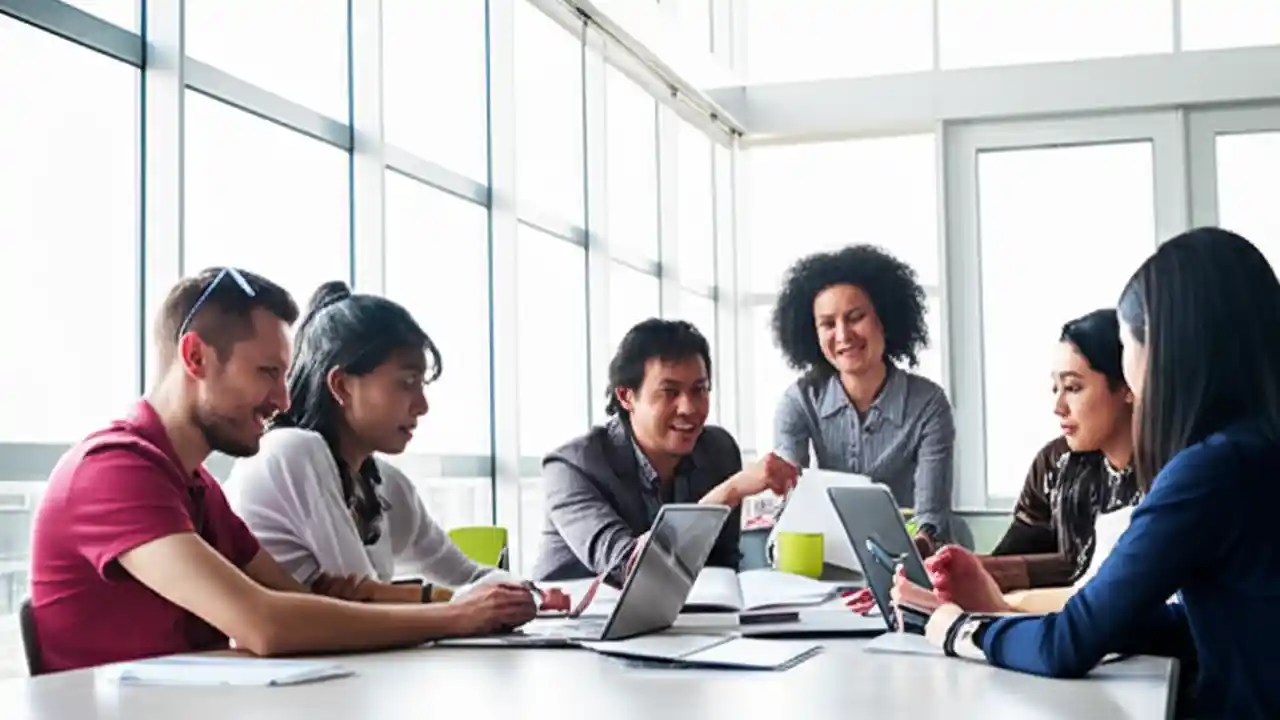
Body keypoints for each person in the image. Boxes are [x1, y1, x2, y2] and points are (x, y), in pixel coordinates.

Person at [29, 267, 536, 673]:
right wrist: (455, 616)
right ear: (196, 357)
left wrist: (430, 611)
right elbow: (264, 623)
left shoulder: (196, 485)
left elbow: (299, 602)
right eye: (268, 373)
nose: (284, 399)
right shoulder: (113, 470)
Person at [894, 228, 1280, 719]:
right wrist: (1008, 619)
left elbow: (1066, 647)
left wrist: (956, 628)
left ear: (1165, 351)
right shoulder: (1256, 451)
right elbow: (1219, 620)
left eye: (1126, 346)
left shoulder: (1209, 471)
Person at [225, 282, 565, 609]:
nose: (422, 405)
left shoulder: (383, 482)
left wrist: (526, 592)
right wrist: (436, 599)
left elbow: (468, 574)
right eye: (406, 383)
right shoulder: (293, 451)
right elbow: (363, 605)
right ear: (342, 386)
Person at [848, 309, 1139, 614]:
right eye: (1056, 388)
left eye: (1074, 388)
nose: (1057, 406)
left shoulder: (1168, 476)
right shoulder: (1057, 463)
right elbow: (1028, 557)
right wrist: (938, 576)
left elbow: (1101, 587)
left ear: (1127, 386)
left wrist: (992, 599)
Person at [533, 318, 799, 583]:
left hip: (685, 620)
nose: (689, 408)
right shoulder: (572, 466)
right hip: (578, 621)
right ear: (626, 397)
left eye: (699, 390)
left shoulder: (718, 451)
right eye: (669, 392)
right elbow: (629, 567)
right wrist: (728, 493)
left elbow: (721, 567)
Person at [772, 245, 954, 550]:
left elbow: (931, 519)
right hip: (827, 559)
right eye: (828, 324)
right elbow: (790, 502)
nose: (843, 335)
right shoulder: (799, 401)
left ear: (884, 319)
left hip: (910, 560)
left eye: (855, 317)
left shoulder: (928, 404)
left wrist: (910, 556)